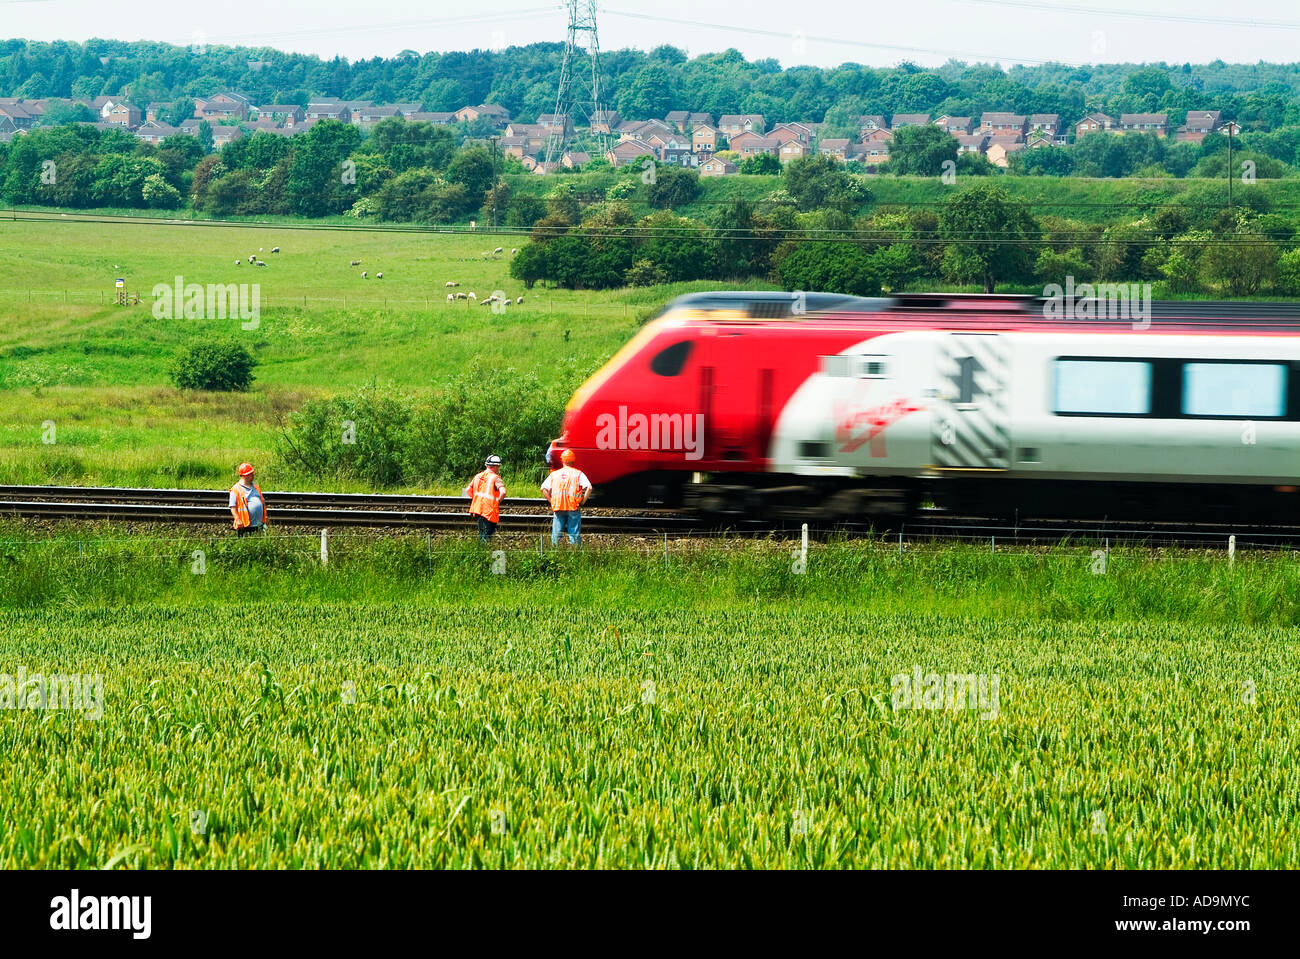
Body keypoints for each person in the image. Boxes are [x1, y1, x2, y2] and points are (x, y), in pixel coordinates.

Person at [540, 448, 592, 546]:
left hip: (558, 506)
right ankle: (576, 553)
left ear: (562, 460)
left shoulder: (554, 474)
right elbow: (589, 487)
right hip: (573, 507)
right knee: (574, 534)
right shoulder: (578, 474)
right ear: (573, 460)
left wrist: (551, 501)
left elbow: (543, 488)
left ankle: (554, 552)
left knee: (556, 534)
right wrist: (583, 501)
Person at [464, 455, 507, 542]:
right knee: (488, 537)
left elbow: (468, 490)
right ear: (496, 466)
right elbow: (503, 492)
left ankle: (481, 552)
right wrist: (497, 501)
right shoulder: (495, 478)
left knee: (482, 535)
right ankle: (484, 552)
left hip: (478, 510)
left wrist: (476, 500)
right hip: (489, 511)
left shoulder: (478, 476)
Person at [229, 462, 267, 535]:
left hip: (259, 525)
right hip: (245, 525)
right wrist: (238, 520)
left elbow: (262, 502)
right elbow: (232, 507)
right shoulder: (236, 489)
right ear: (243, 476)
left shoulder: (256, 487)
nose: (253, 476)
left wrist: (265, 516)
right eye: (250, 474)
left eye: (252, 474)